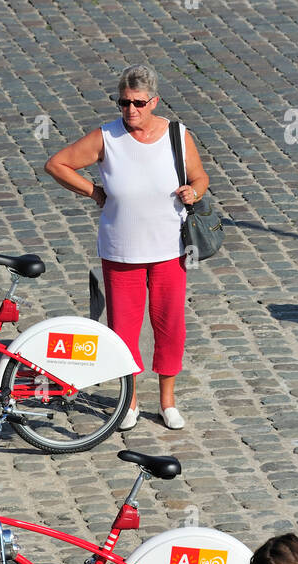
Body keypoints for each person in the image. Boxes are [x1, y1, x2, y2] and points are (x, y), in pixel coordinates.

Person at [44, 62, 208, 430]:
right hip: (120, 252)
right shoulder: (106, 137)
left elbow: (200, 176)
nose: (130, 110)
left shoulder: (178, 136)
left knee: (170, 327)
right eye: (123, 103)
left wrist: (193, 191)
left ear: (154, 101)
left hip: (169, 250)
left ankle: (167, 401)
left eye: (137, 102)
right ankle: (129, 401)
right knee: (123, 331)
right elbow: (57, 164)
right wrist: (93, 191)